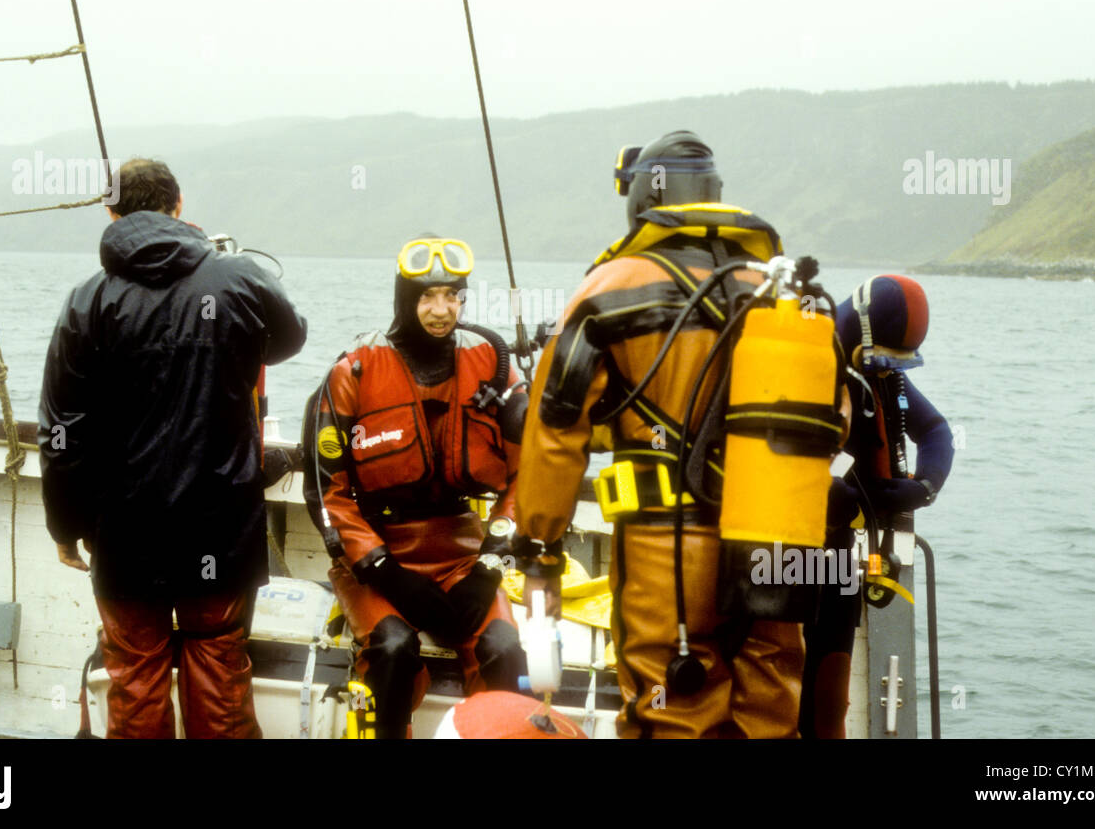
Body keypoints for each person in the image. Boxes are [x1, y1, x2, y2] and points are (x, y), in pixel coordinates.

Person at [514, 130, 849, 738]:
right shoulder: (786, 294)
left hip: (668, 548)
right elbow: (836, 419)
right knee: (772, 714)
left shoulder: (612, 288)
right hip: (782, 542)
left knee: (673, 714)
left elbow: (555, 432)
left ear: (642, 195)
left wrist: (540, 550)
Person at [39, 158, 306, 739]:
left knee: (135, 678)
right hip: (220, 528)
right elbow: (290, 338)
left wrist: (65, 526)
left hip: (125, 532)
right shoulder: (239, 280)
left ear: (109, 213)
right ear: (179, 205)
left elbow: (60, 433)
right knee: (218, 671)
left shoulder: (88, 303)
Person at [302, 236, 528, 739]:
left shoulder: (496, 365)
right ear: (405, 298)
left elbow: (526, 478)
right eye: (427, 296)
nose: (441, 309)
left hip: (463, 551)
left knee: (505, 650)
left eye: (452, 295)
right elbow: (326, 494)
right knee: (394, 648)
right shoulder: (353, 371)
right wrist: (386, 573)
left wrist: (491, 564)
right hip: (378, 555)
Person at [800, 274, 953, 738]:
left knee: (830, 690)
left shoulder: (879, 373)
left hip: (840, 553)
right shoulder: (802, 359)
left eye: (900, 363)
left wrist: (924, 486)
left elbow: (936, 432)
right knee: (777, 682)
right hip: (781, 553)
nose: (889, 370)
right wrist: (829, 493)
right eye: (885, 358)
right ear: (862, 333)